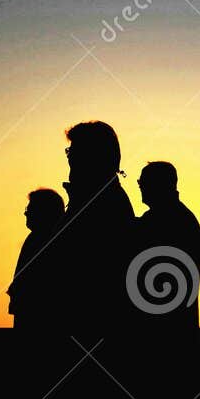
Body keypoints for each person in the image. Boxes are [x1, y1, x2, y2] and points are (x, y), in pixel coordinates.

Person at [59, 121, 136, 341]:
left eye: (74, 151)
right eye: (69, 151)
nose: (69, 157)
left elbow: (89, 275)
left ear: (92, 155)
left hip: (89, 332)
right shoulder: (89, 199)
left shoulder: (105, 203)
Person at [133, 162, 200, 338]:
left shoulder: (166, 219)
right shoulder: (178, 216)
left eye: (143, 181)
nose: (140, 186)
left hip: (164, 327)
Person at [8, 188, 63, 333]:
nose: (25, 213)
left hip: (36, 319)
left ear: (43, 211)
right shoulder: (37, 238)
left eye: (30, 208)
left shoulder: (43, 239)